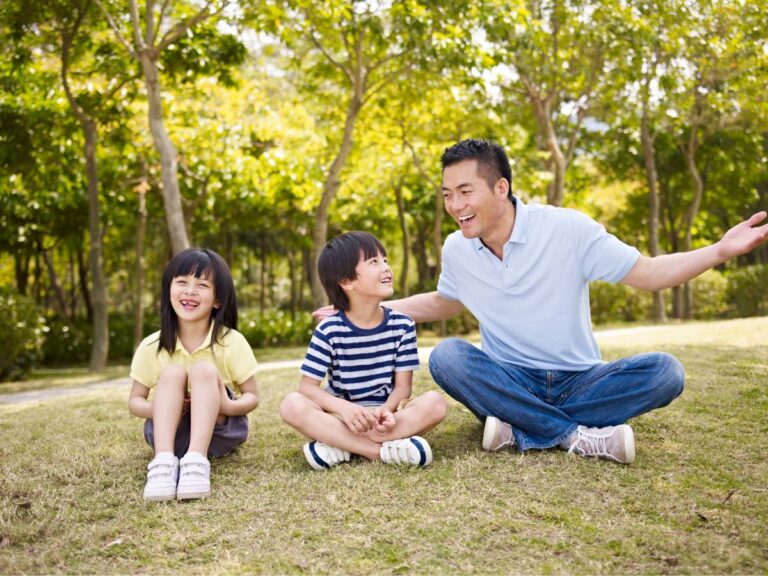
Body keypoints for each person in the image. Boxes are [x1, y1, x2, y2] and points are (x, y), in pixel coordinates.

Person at [315, 139, 768, 465]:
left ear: (500, 188)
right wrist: (358, 310)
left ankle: (521, 430)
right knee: (448, 357)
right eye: (448, 194)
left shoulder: (568, 229)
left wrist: (719, 251)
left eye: (465, 191)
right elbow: (445, 303)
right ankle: (575, 436)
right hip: (507, 377)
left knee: (666, 372)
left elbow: (648, 275)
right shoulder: (457, 248)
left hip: (580, 378)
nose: (455, 205)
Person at [281, 231, 447, 469]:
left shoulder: (402, 325)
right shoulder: (329, 330)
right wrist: (345, 410)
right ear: (347, 281)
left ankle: (340, 445)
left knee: (435, 403)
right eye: (374, 262)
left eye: (385, 260)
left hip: (386, 417)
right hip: (341, 417)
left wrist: (387, 412)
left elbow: (403, 388)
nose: (386, 267)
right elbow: (307, 388)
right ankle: (381, 452)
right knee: (291, 404)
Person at [129, 248, 259, 501]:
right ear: (169, 291)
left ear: (218, 299)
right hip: (169, 435)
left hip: (218, 433)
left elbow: (252, 396)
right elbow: (135, 401)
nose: (190, 291)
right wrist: (160, 407)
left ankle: (196, 462)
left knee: (203, 372)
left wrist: (227, 405)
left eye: (201, 285)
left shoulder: (231, 341)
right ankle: (163, 463)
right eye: (182, 283)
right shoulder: (151, 345)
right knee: (172, 374)